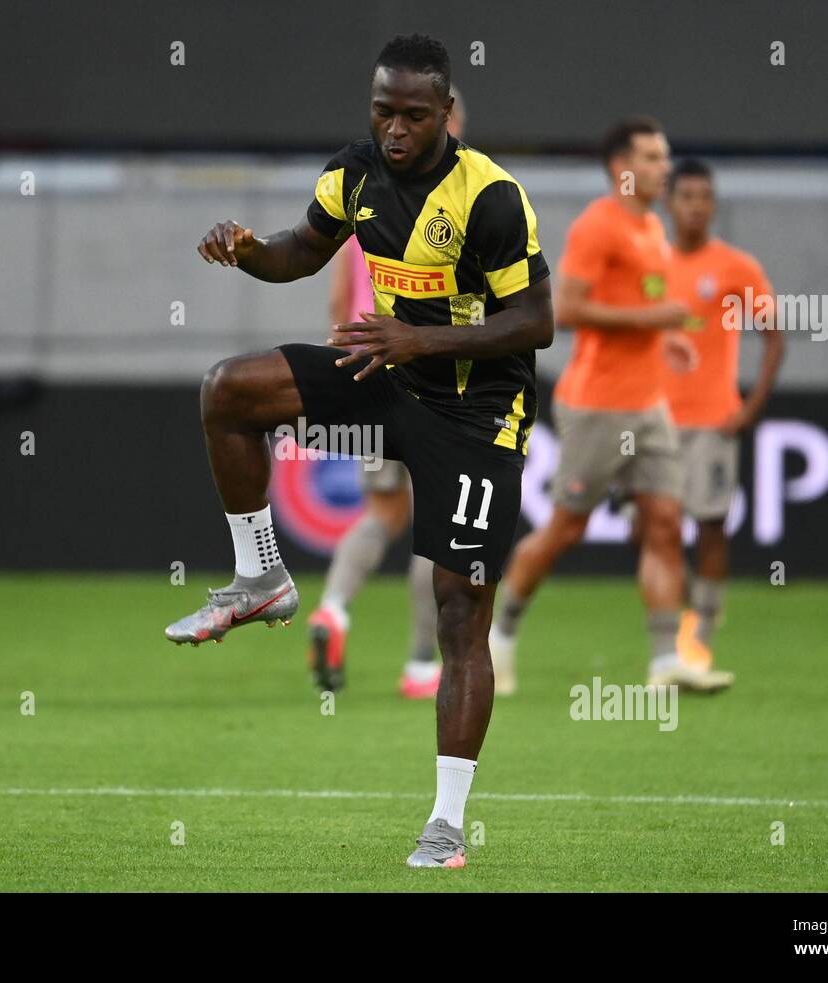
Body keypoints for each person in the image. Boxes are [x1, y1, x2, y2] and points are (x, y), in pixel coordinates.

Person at [166, 35, 552, 867]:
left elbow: (537, 323)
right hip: (389, 373)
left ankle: (447, 824)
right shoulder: (354, 174)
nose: (397, 130)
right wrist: (248, 253)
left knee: (459, 611)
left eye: (416, 115)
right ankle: (262, 578)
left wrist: (420, 336)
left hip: (477, 411)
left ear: (447, 114)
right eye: (384, 112)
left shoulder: (490, 196)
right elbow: (302, 254)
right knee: (228, 390)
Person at [488, 117, 733, 694]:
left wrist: (661, 337)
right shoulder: (599, 226)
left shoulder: (650, 228)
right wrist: (654, 321)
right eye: (652, 157)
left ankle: (664, 662)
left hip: (650, 407)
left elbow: (635, 306)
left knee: (666, 525)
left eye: (664, 156)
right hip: (598, 406)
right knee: (566, 530)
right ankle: (498, 638)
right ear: (622, 167)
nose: (663, 168)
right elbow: (565, 312)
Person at [308, 85, 466, 699]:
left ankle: (335, 608)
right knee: (435, 520)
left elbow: (333, 296)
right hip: (427, 375)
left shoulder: (357, 195)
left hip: (362, 364)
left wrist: (337, 366)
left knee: (381, 512)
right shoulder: (449, 202)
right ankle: (423, 664)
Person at [663, 158, 784, 667]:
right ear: (669, 202)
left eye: (704, 196)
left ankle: (703, 633)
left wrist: (751, 405)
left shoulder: (736, 267)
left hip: (713, 418)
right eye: (687, 195)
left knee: (710, 525)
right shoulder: (649, 262)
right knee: (651, 527)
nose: (696, 205)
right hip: (654, 422)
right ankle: (687, 609)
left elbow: (774, 336)